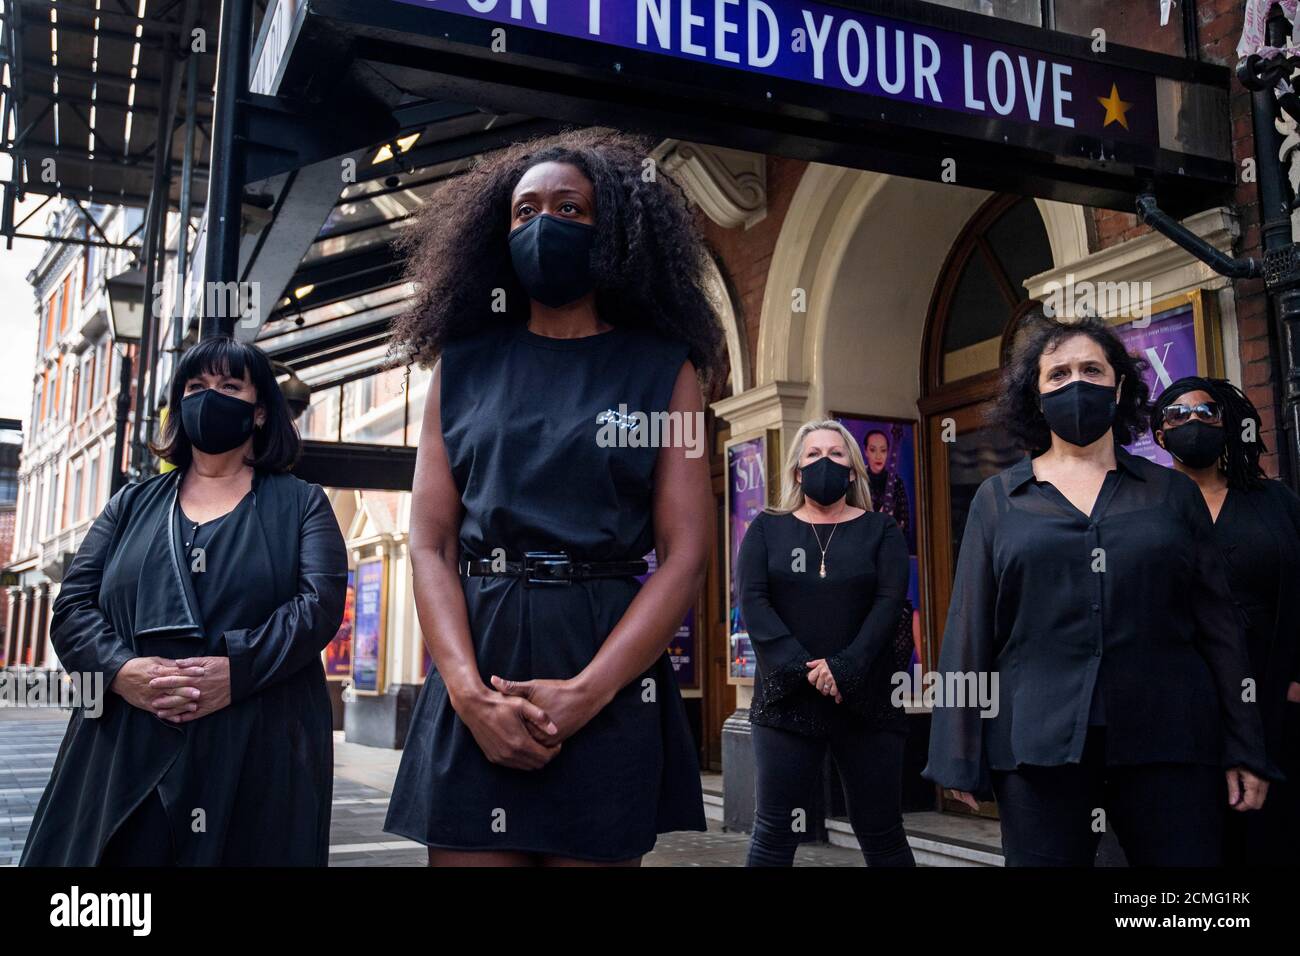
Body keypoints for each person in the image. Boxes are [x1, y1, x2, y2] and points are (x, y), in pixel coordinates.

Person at [382, 129, 720, 866]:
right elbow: (430, 541)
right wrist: (468, 694)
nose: (543, 223)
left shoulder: (668, 373)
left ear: (614, 231)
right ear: (498, 234)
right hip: (481, 656)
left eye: (569, 207)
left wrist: (588, 693)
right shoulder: (461, 368)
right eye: (524, 209)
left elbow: (687, 553)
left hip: (606, 661)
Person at [922, 311, 1274, 866]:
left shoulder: (1170, 495)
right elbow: (968, 628)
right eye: (1057, 374)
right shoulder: (997, 499)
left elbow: (1219, 627)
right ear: (1035, 397)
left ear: (1119, 388)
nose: (1076, 382)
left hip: (1170, 738)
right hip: (1035, 744)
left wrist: (1246, 746)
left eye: (1092, 369)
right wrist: (957, 751)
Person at [20, 336, 348, 866]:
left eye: (229, 385)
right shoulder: (129, 504)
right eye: (196, 386)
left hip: (253, 741)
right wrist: (121, 670)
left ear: (260, 411)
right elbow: (74, 606)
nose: (209, 396)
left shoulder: (303, 503)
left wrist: (234, 672)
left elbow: (318, 606)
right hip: (125, 739)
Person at [738, 419, 915, 867]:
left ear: (853, 471)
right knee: (775, 833)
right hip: (787, 702)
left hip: (867, 701)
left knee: (883, 834)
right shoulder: (765, 530)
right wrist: (805, 669)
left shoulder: (882, 531)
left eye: (836, 454)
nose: (825, 463)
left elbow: (889, 605)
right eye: (813, 454)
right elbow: (755, 604)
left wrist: (846, 668)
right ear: (798, 471)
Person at [1152, 375, 1300, 865]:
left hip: (1275, 695)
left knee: (1273, 836)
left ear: (1228, 424)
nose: (1193, 422)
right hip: (1183, 701)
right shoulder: (1145, 511)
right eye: (1177, 414)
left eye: (1207, 413)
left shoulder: (1275, 502)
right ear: (1158, 434)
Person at [864, 428, 910, 537]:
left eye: (883, 450)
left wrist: (895, 526)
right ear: (866, 451)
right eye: (873, 450)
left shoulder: (896, 482)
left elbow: (905, 523)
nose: (878, 456)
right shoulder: (857, 480)